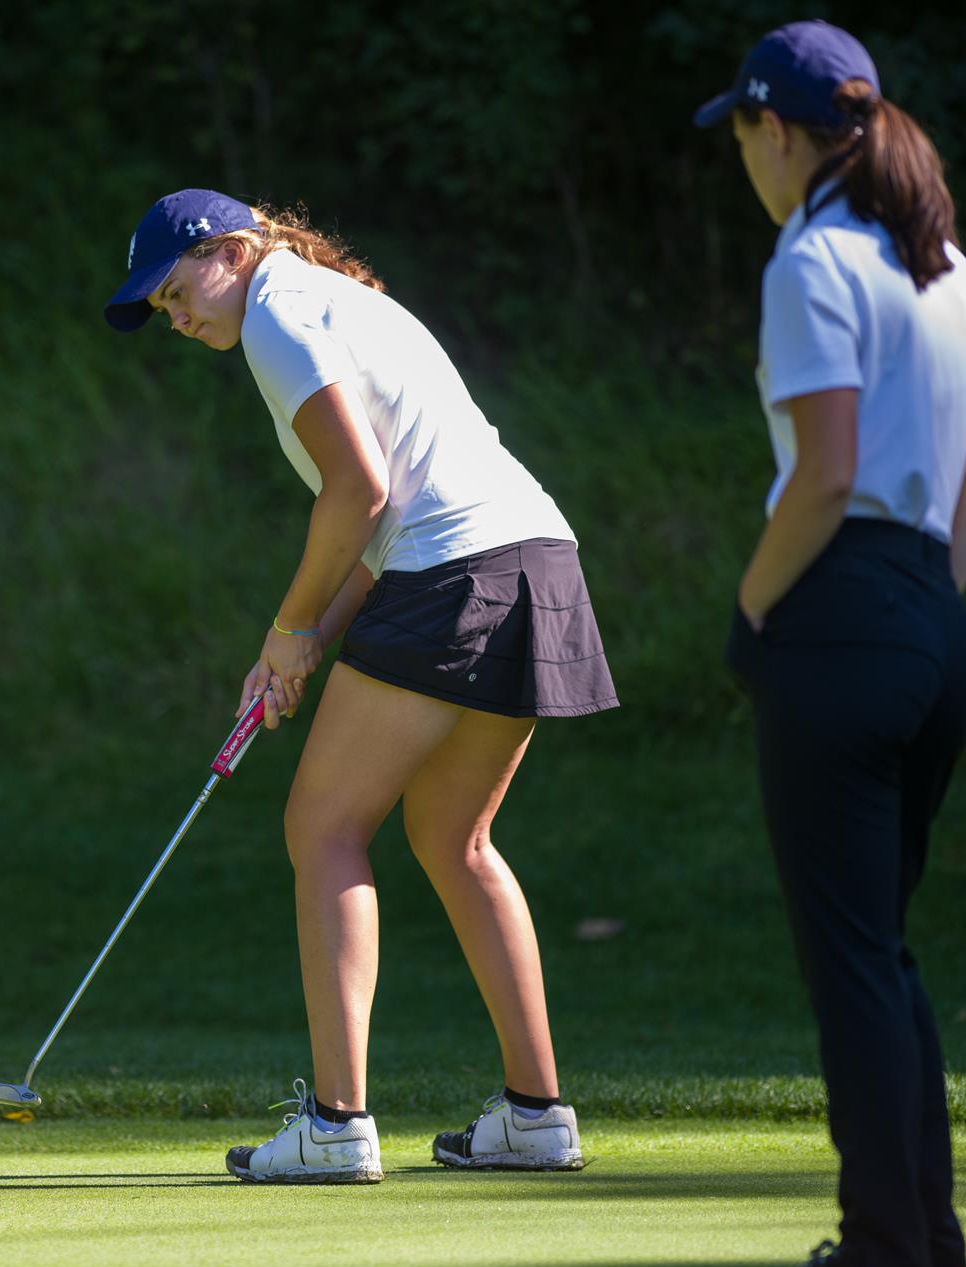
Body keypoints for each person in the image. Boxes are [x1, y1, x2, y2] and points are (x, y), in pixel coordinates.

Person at [102, 189, 619, 1183]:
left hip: (456, 567)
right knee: (450, 836)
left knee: (321, 826)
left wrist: (289, 625)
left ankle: (336, 1124)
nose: (176, 319)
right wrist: (299, 646)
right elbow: (381, 526)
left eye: (175, 293)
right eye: (161, 311)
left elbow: (358, 490)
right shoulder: (333, 302)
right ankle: (533, 1112)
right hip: (533, 561)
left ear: (235, 249)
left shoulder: (275, 316)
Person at [694, 19, 966, 1267]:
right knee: (883, 944)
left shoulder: (812, 257)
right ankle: (924, 1238)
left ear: (779, 131)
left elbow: (823, 476)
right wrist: (925, 603)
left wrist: (751, 609)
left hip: (840, 611)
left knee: (848, 953)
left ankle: (884, 1249)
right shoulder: (946, 264)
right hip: (936, 617)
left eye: (745, 136)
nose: (745, 160)